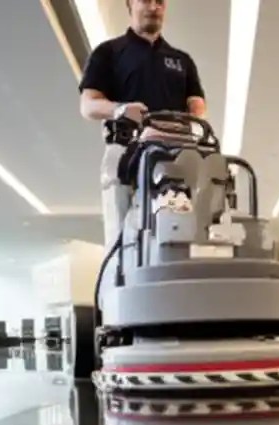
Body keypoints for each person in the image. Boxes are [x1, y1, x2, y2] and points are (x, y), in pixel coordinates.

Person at [78, 0, 208, 249]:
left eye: (159, 2)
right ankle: (119, 271)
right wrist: (121, 109)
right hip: (127, 152)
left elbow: (197, 104)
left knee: (182, 231)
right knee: (123, 237)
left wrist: (190, 119)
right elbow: (88, 105)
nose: (153, 6)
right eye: (145, 0)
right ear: (130, 4)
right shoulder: (109, 53)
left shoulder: (181, 60)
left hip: (176, 153)